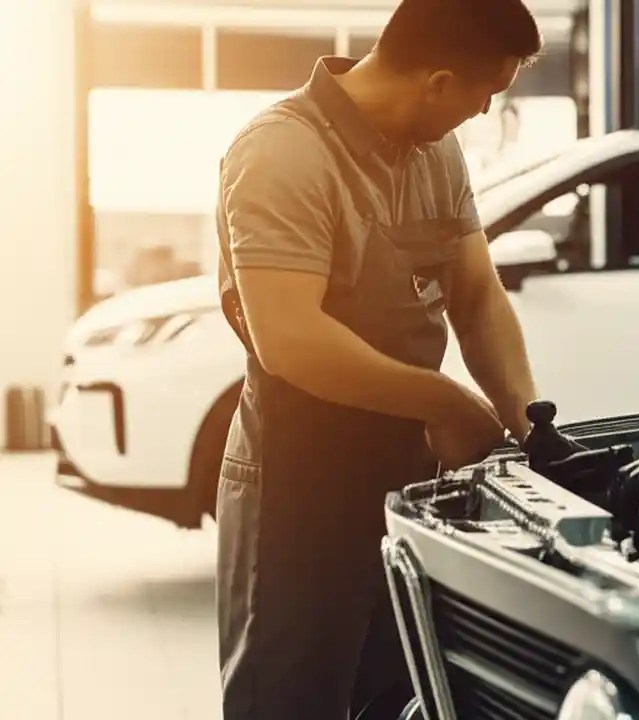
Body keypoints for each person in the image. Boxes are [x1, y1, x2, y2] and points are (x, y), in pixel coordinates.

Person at [212, 1, 543, 717]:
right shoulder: (282, 153)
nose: (484, 114)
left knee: (399, 694)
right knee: (293, 697)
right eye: (486, 94)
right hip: (298, 476)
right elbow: (291, 338)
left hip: (404, 468)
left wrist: (530, 431)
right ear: (438, 82)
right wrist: (446, 403)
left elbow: (477, 294)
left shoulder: (435, 152)